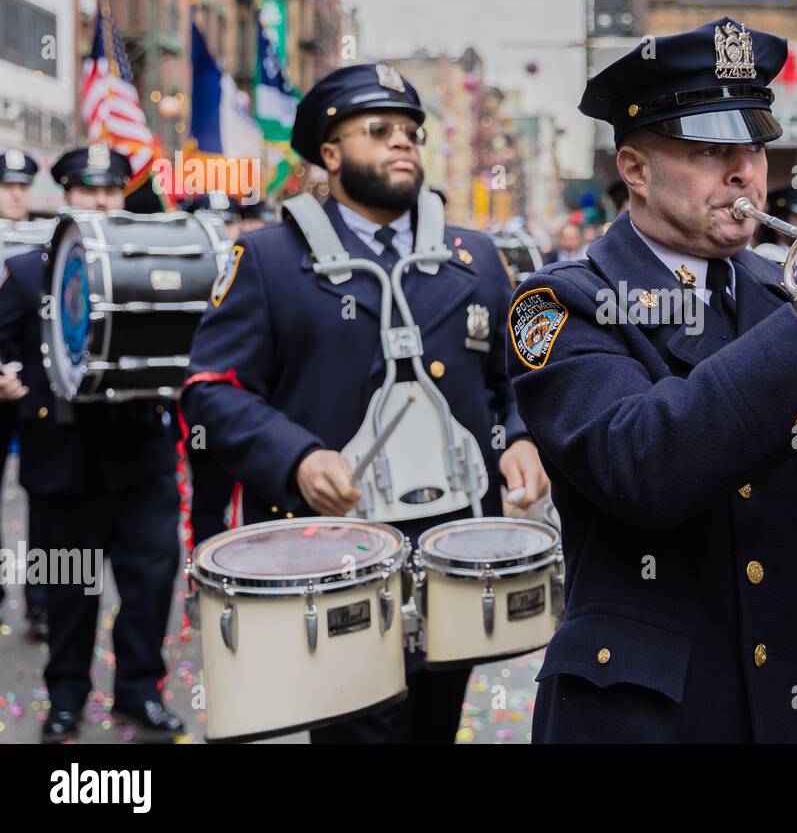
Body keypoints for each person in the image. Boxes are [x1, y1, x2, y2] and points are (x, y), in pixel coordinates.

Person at [507, 18, 797, 742]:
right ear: (634, 169)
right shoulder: (564, 301)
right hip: (671, 708)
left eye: (752, 144)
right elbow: (647, 467)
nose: (744, 170)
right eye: (708, 149)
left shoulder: (785, 292)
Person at [180, 63, 549, 743]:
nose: (402, 143)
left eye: (410, 131)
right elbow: (210, 391)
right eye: (378, 131)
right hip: (334, 556)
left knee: (436, 724)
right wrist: (297, 458)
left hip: (451, 551)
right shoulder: (266, 256)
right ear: (329, 154)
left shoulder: (475, 254)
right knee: (357, 730)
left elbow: (516, 379)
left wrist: (521, 437)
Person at [0, 145, 184, 743]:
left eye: (110, 191)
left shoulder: (151, 262)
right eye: (88, 191)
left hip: (141, 459)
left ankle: (139, 692)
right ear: (68, 198)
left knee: (151, 584)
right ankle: (66, 699)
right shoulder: (30, 271)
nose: (101, 201)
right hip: (63, 462)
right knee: (69, 592)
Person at [0, 149, 46, 638]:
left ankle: (41, 601)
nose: (15, 194)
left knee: (44, 498)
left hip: (31, 387)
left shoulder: (46, 242)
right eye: (6, 185)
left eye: (21, 185)